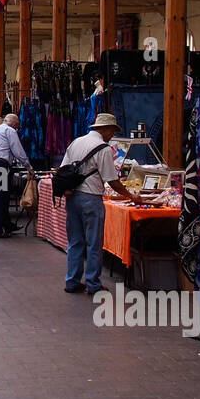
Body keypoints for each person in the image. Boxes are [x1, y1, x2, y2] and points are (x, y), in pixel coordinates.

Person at [61, 113, 140, 295]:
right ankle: (93, 284)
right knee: (94, 243)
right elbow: (111, 180)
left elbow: (64, 168)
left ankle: (72, 281)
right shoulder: (103, 148)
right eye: (112, 131)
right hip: (91, 198)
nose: (112, 135)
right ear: (103, 130)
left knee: (75, 242)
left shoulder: (76, 142)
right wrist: (130, 195)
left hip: (73, 198)